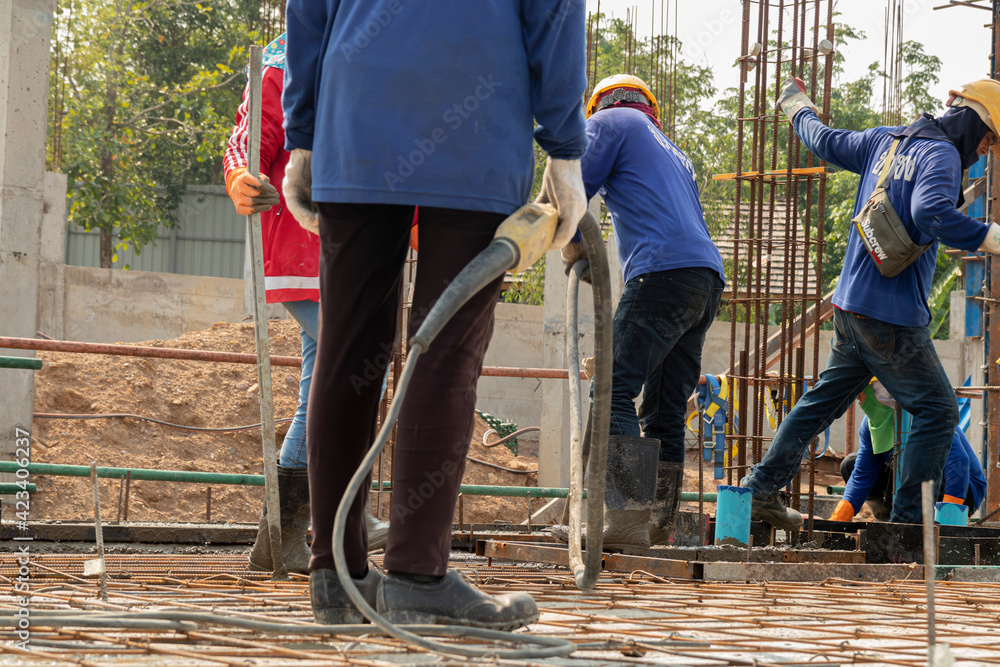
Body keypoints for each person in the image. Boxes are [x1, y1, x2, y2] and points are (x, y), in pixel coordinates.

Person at [282, 0, 588, 628]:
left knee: (345, 353)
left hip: (355, 116)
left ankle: (334, 577)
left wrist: (303, 135)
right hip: (475, 115)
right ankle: (418, 575)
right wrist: (564, 146)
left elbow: (306, 9)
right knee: (445, 353)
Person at [740, 77, 1000, 528]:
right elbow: (932, 213)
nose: (987, 150)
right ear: (973, 120)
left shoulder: (884, 141)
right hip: (891, 318)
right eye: (990, 138)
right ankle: (905, 527)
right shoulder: (939, 155)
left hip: (850, 308)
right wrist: (992, 237)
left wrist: (794, 102)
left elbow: (821, 139)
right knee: (938, 411)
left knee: (818, 405)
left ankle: (757, 491)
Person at [223, 32, 388, 575]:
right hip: (302, 246)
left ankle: (282, 534)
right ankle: (343, 519)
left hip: (341, 251)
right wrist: (238, 175)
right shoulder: (287, 56)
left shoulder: (360, 49)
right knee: (358, 376)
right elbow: (252, 134)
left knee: (324, 391)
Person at [550, 74, 726, 552]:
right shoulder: (672, 150)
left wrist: (569, 246)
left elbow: (569, 194)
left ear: (599, 105)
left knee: (612, 389)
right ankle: (656, 527)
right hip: (705, 282)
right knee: (665, 409)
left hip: (661, 276)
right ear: (650, 104)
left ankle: (627, 520)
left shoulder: (610, 121)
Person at [830, 383, 986, 522]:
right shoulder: (871, 425)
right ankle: (894, 521)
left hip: (962, 488)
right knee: (850, 464)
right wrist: (839, 517)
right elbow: (863, 473)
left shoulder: (925, 414)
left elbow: (957, 462)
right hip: (912, 482)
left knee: (924, 468)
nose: (857, 397)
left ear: (879, 392)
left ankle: (938, 517)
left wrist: (950, 515)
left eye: (861, 391)